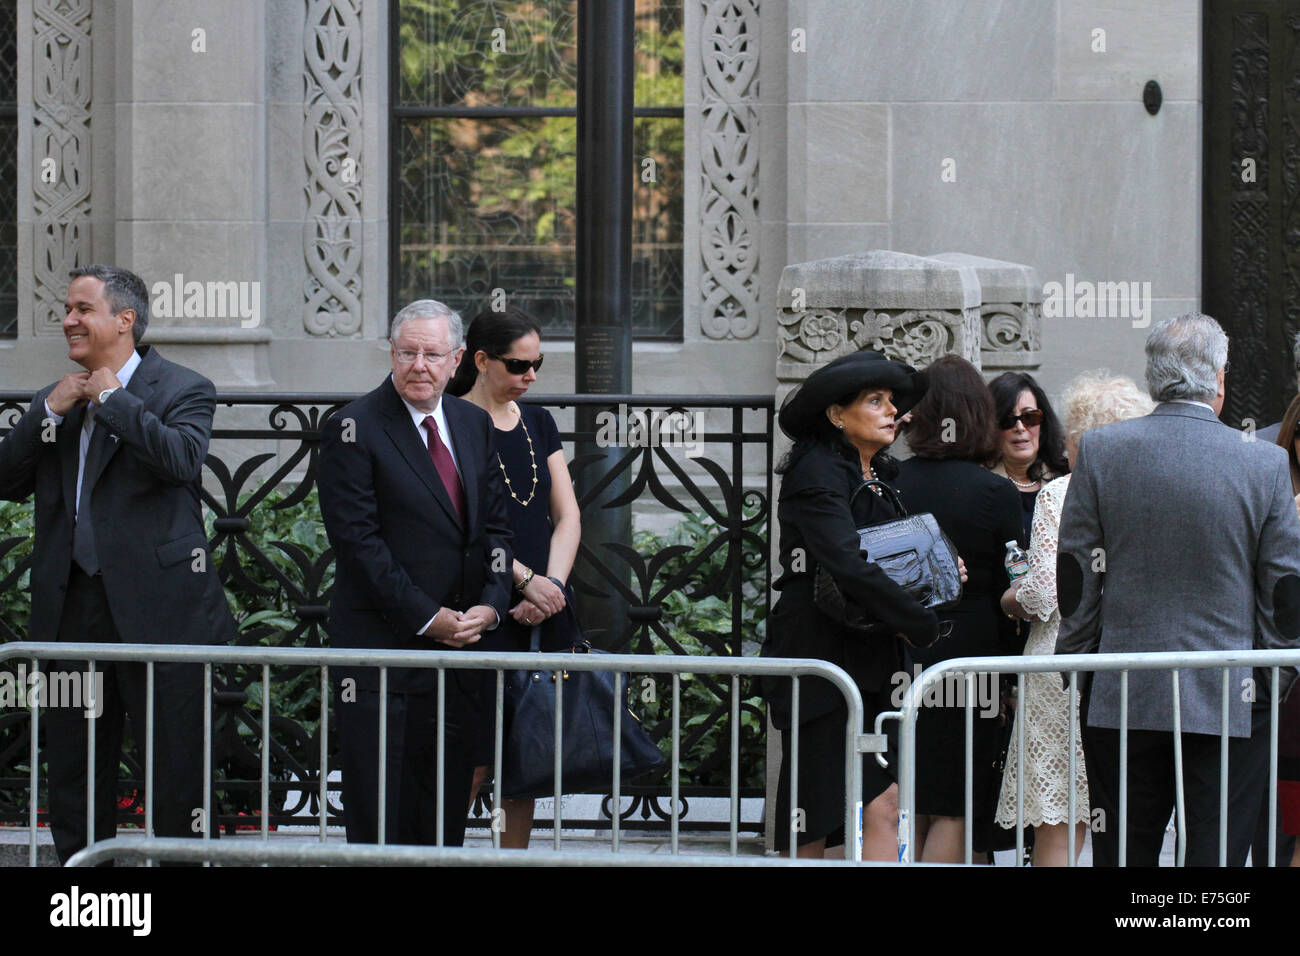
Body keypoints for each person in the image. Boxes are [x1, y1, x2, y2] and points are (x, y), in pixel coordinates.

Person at [0, 264, 235, 863]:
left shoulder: (184, 387)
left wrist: (111, 397)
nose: (68, 320)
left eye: (82, 309)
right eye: (68, 309)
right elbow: (8, 481)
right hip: (71, 613)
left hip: (163, 617)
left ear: (124, 320)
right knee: (75, 776)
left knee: (177, 770)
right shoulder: (58, 399)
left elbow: (181, 460)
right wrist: (48, 412)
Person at [1056, 312, 1300, 866]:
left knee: (1123, 851)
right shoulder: (1264, 463)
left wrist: (1081, 666)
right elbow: (1284, 590)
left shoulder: (1101, 451)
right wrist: (1270, 679)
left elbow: (1077, 576)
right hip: (1230, 695)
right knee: (1215, 860)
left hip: (1122, 691)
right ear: (1218, 378)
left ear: (1152, 377)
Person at [317, 299, 513, 847]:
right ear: (392, 354)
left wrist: (491, 605)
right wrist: (429, 619)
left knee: (443, 816)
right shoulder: (352, 427)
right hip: (383, 656)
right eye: (407, 352)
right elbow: (358, 544)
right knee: (381, 817)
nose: (418, 366)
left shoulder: (473, 423)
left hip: (460, 656)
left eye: (431, 354)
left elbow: (496, 528)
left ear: (456, 362)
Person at [763, 350, 943, 860]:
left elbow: (893, 557)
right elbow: (848, 561)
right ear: (837, 415)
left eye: (892, 402)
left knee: (884, 802)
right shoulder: (816, 473)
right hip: (822, 661)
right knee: (815, 817)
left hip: (873, 661)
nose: (892, 411)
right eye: (875, 400)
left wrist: (939, 577)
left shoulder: (882, 473)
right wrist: (917, 621)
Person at [996, 372, 1153, 865]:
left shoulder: (1060, 493)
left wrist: (1008, 597)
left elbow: (1047, 593)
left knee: (1060, 819)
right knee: (1123, 816)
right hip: (1126, 667)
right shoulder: (1151, 494)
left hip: (1057, 667)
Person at [448, 304, 581, 848]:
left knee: (525, 756)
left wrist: (551, 589)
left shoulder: (539, 421)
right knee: (472, 755)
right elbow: (467, 528)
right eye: (518, 365)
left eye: (537, 365)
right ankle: (443, 858)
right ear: (480, 360)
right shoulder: (450, 420)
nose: (530, 376)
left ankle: (514, 861)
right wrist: (523, 584)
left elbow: (568, 515)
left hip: (543, 602)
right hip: (481, 600)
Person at [894, 355, 1023, 863]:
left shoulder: (890, 482)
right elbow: (1018, 585)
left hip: (903, 650)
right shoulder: (995, 491)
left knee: (919, 795)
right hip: (974, 657)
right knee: (958, 805)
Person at [987, 372, 1068, 543]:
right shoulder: (981, 484)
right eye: (1007, 419)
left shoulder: (1066, 478)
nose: (1020, 427)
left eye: (1029, 417)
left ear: (1043, 423)